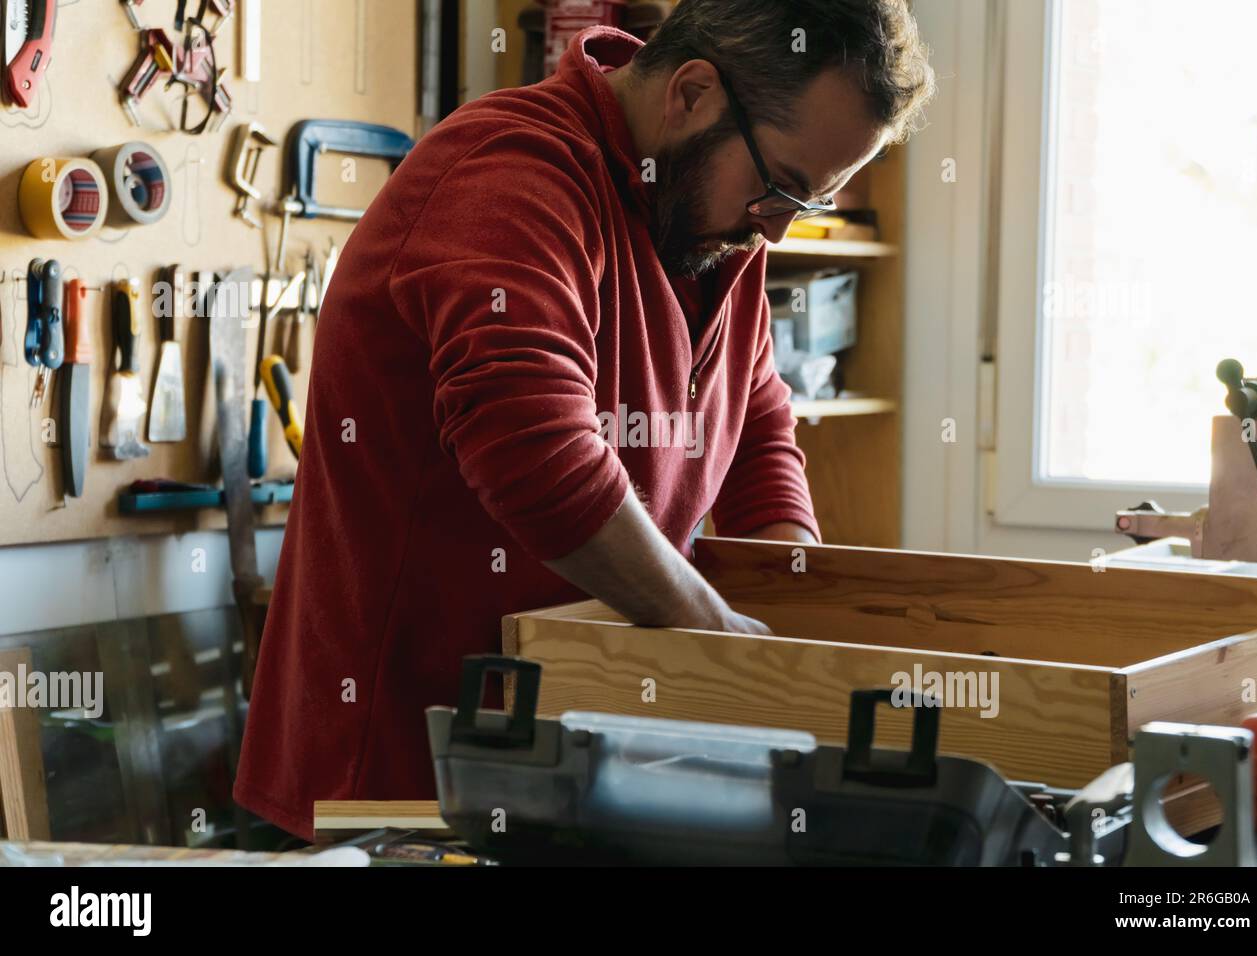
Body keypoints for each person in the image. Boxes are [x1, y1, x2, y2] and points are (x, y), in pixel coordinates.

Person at [234, 0, 935, 840]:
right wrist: (722, 640)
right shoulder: (508, 175)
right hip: (404, 779)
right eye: (779, 186)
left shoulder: (711, 223)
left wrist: (790, 597)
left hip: (573, 762)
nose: (777, 230)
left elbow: (753, 419)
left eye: (804, 203)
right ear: (692, 94)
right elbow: (536, 454)